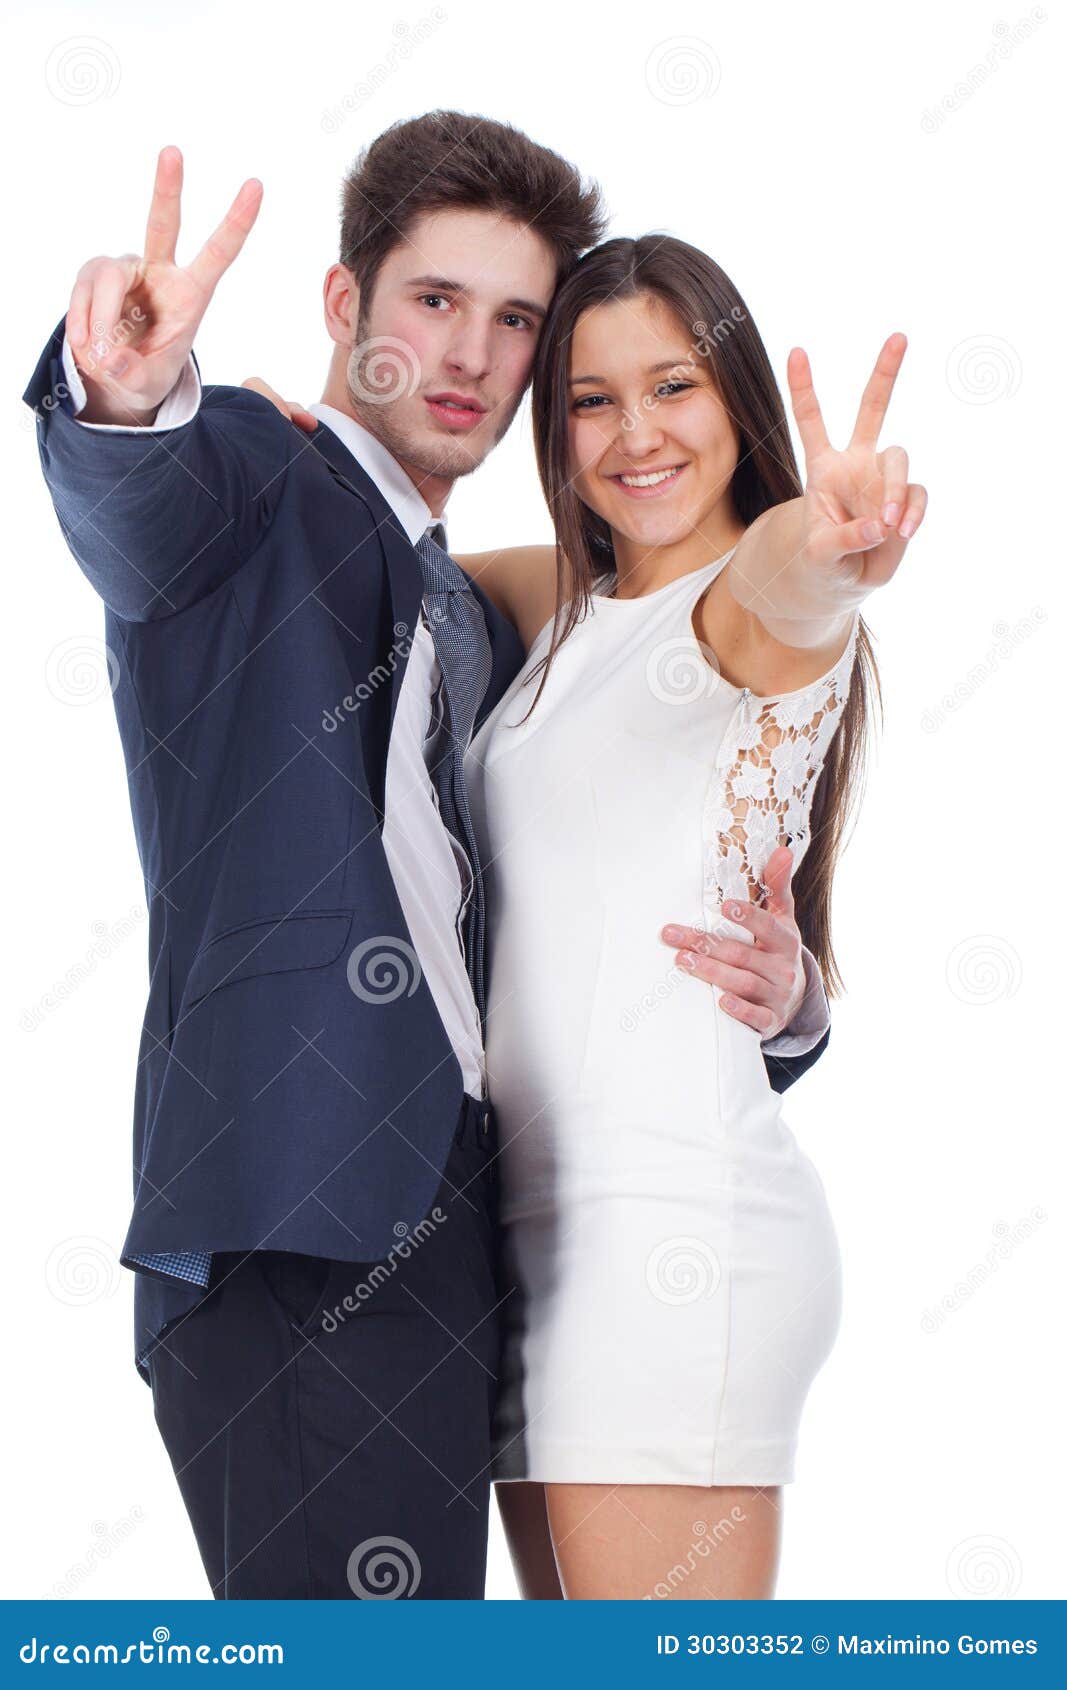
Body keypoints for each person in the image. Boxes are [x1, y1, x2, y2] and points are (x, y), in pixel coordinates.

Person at [21, 114, 829, 1600]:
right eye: (433, 301)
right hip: (299, 1209)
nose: (469, 353)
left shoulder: (490, 617)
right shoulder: (259, 483)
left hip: (465, 1220)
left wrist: (791, 1000)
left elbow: (633, 794)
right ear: (347, 310)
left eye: (515, 320)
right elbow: (148, 509)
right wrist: (122, 405)